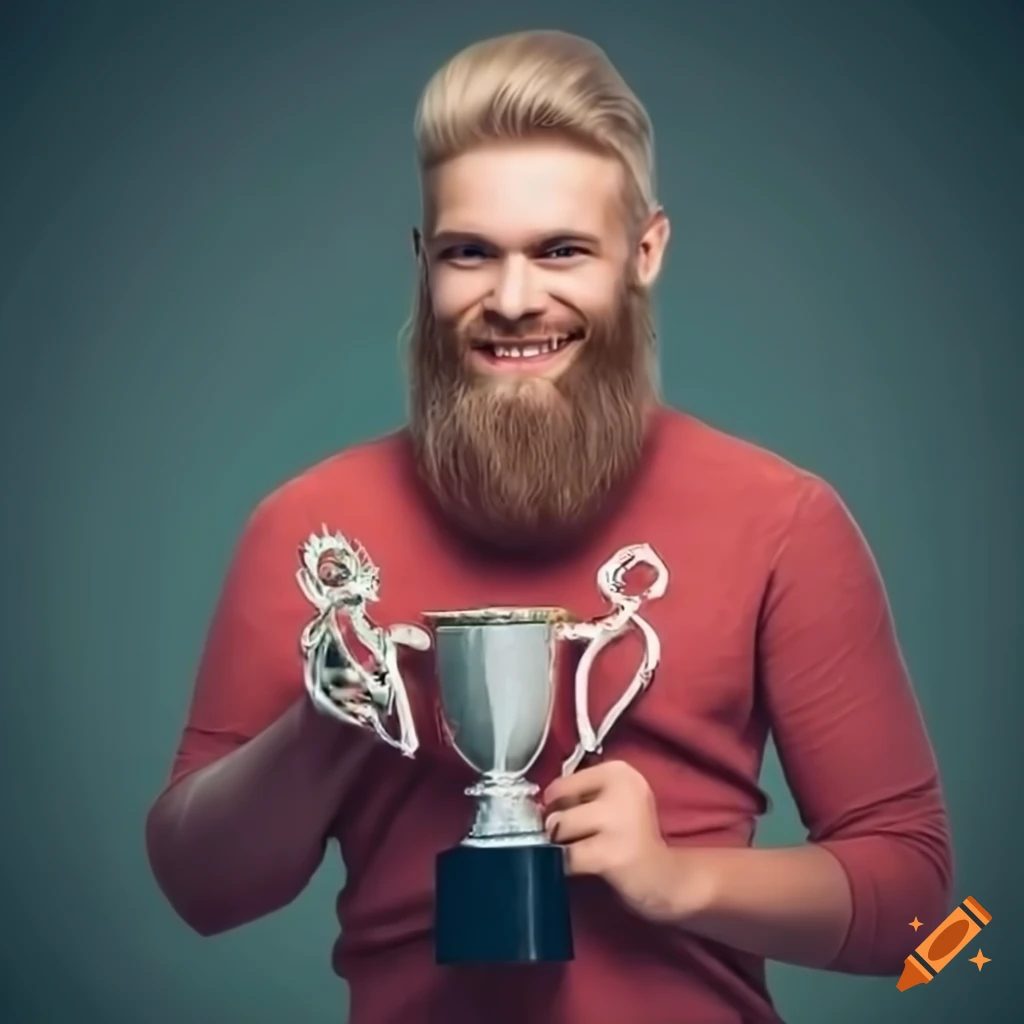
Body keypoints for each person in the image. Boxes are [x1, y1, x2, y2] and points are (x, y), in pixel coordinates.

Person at [145, 30, 951, 1024]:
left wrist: (677, 880)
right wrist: (323, 724)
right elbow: (198, 893)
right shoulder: (310, 532)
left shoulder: (783, 520)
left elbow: (938, 923)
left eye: (561, 249)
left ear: (643, 252)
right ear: (422, 261)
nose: (514, 300)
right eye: (469, 253)